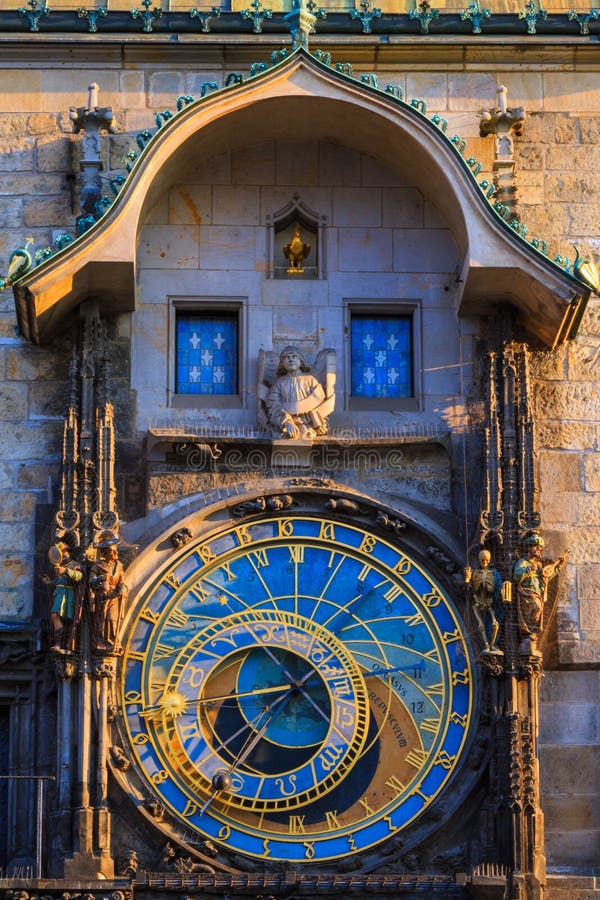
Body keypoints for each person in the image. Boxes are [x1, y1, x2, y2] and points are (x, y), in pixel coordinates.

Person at [513, 532, 568, 654]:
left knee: (537, 611)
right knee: (533, 611)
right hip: (526, 595)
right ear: (529, 548)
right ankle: (527, 635)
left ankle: (531, 634)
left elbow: (547, 575)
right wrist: (528, 569)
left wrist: (559, 565)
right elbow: (516, 576)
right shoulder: (523, 562)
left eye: (539, 547)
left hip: (537, 595)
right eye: (535, 546)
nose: (538, 549)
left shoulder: (539, 565)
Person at [265, 347, 327, 439]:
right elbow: (273, 406)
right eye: (286, 357)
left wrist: (320, 423)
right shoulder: (278, 383)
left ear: (301, 360)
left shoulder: (311, 380)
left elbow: (321, 404)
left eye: (294, 356)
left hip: (309, 428)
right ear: (282, 363)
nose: (290, 359)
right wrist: (286, 422)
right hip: (286, 428)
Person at [89, 531, 128, 652]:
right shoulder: (97, 566)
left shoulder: (119, 566)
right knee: (102, 620)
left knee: (112, 619)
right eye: (112, 551)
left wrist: (122, 588)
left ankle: (113, 642)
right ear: (105, 553)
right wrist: (101, 580)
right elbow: (91, 582)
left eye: (116, 550)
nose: (116, 553)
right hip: (102, 598)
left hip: (114, 597)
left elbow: (122, 581)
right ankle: (101, 642)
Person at [45, 540, 84, 653]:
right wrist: (49, 582)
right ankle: (59, 643)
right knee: (55, 616)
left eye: (64, 552)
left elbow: (79, 577)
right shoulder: (62, 566)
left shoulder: (75, 565)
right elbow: (60, 581)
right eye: (60, 553)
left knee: (57, 616)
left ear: (68, 552)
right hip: (59, 593)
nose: (62, 555)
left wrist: (66, 570)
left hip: (68, 595)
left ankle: (62, 643)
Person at [464, 549, 503, 653]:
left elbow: (497, 589)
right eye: (482, 560)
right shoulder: (475, 573)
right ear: (479, 560)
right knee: (481, 625)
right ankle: (486, 644)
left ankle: (492, 644)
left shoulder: (494, 574)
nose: (484, 562)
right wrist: (467, 578)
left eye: (486, 560)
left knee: (495, 624)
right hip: (478, 604)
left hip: (490, 603)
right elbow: (469, 589)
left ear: (489, 560)